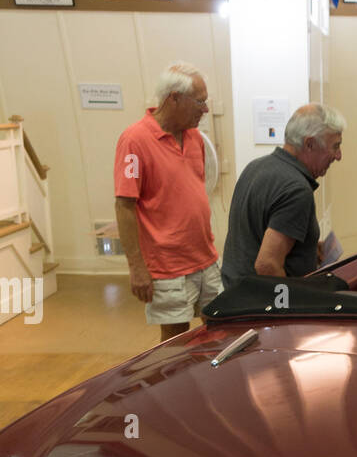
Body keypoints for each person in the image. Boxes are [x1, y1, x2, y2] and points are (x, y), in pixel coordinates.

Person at [114, 63, 221, 343]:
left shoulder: (195, 137)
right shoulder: (134, 141)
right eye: (200, 102)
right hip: (167, 267)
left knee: (219, 329)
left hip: (204, 259)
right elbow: (124, 206)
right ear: (174, 98)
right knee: (175, 345)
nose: (205, 109)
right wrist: (136, 267)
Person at [221, 103, 344, 288]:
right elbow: (267, 264)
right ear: (309, 144)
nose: (338, 156)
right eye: (335, 146)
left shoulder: (255, 167)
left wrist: (306, 247)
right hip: (260, 306)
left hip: (234, 295)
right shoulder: (296, 189)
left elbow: (254, 234)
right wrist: (287, 307)